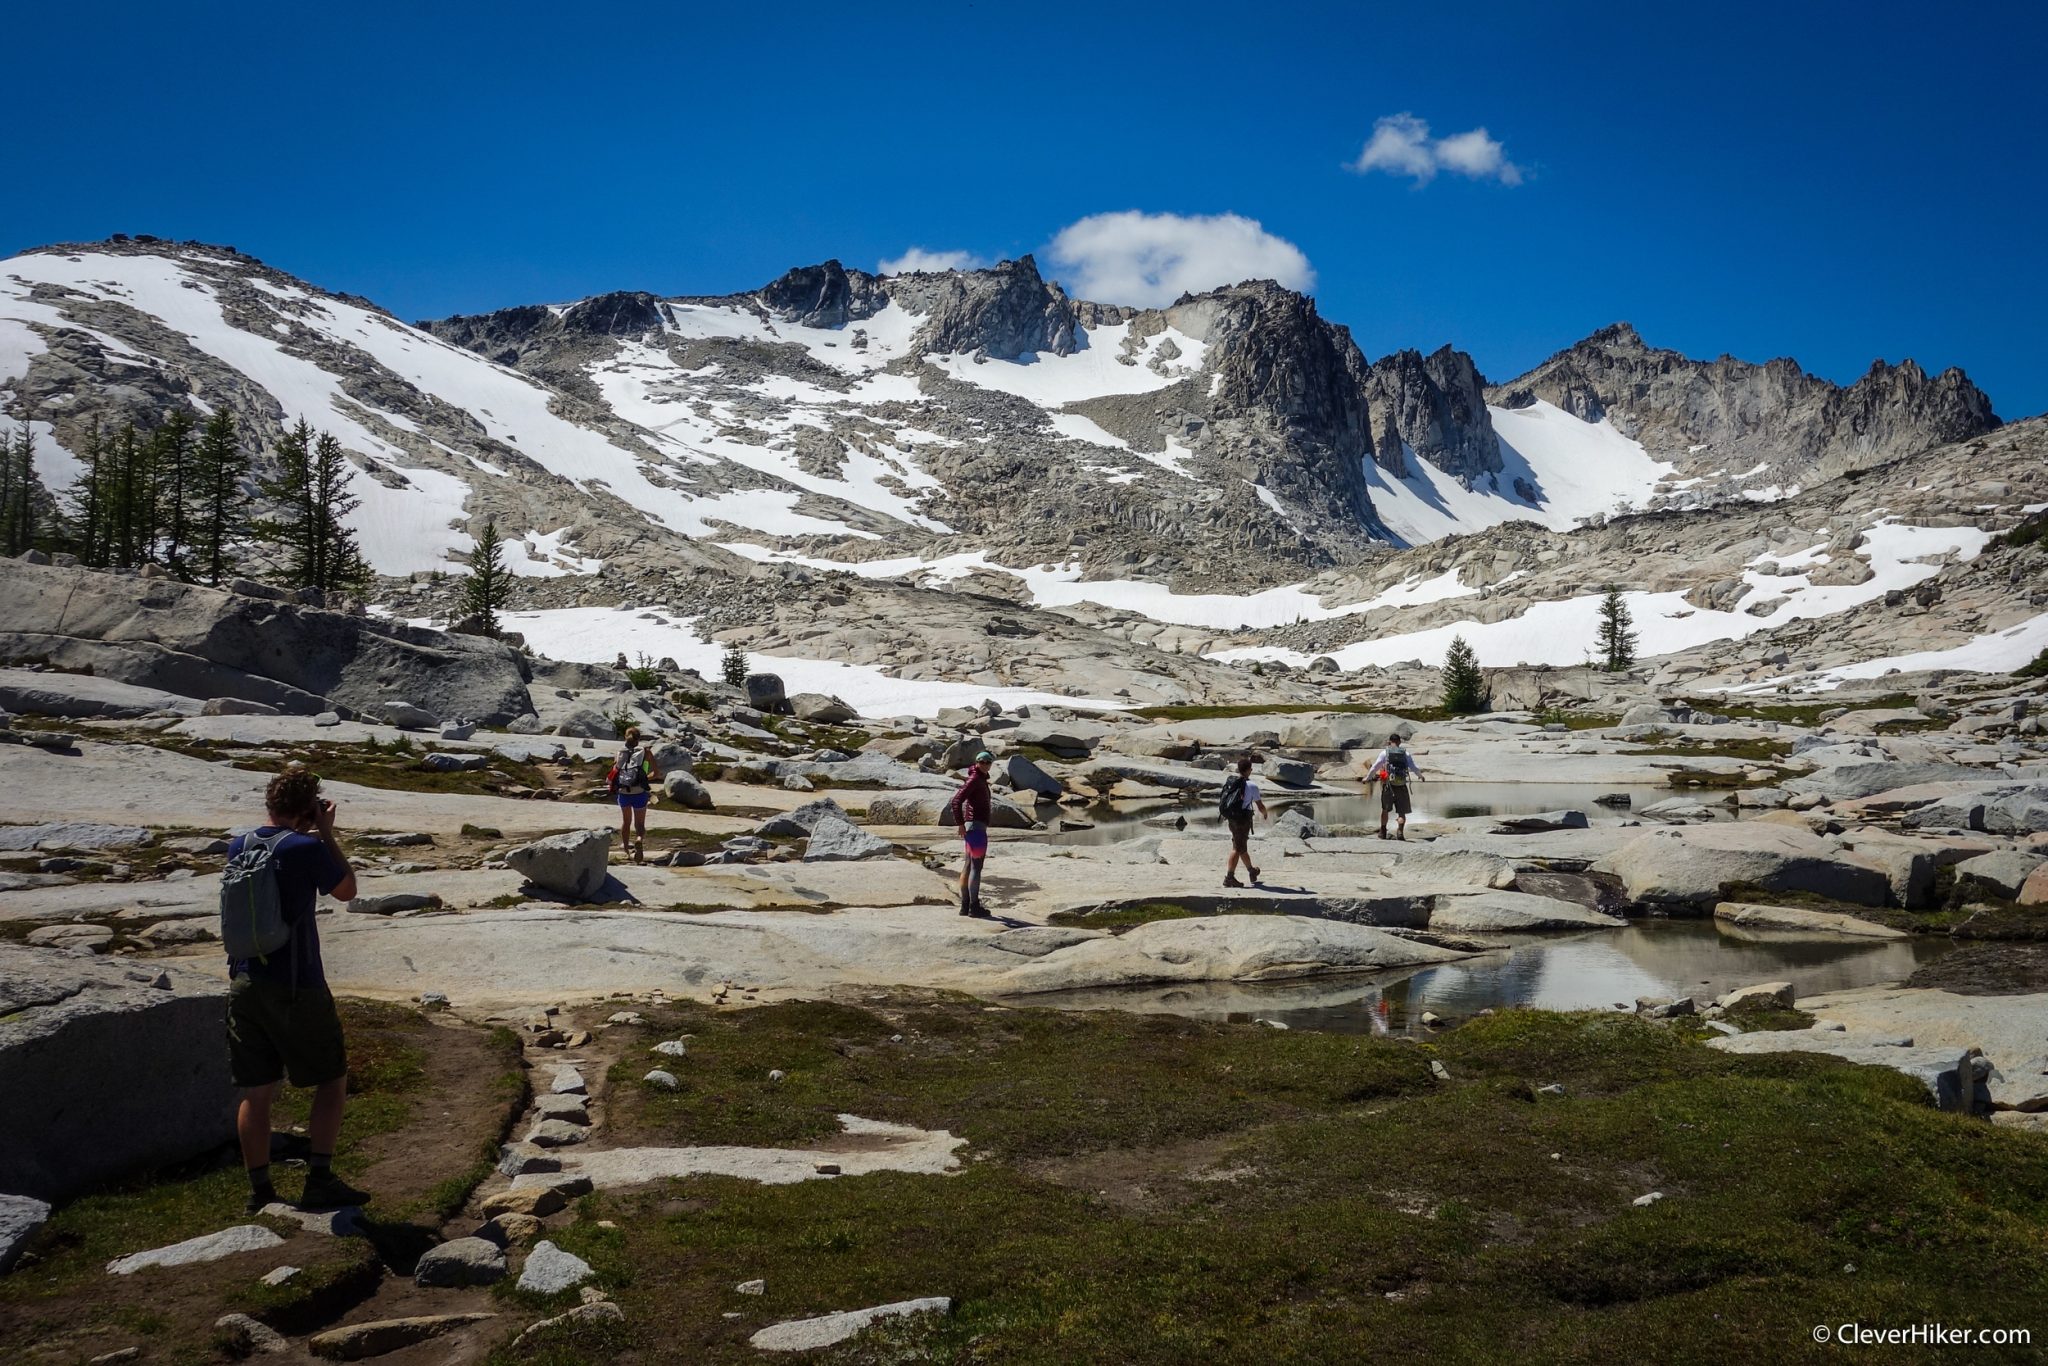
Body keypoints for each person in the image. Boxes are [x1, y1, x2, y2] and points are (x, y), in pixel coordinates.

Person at [227, 765, 364, 1213]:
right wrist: (326, 833)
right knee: (331, 1078)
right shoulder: (305, 847)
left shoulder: (238, 845)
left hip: (245, 981)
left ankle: (260, 1191)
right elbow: (346, 890)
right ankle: (319, 1179)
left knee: (256, 1090)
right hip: (296, 982)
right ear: (308, 809)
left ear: (269, 804)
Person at [948, 750, 995, 918]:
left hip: (973, 827)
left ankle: (965, 906)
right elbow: (956, 801)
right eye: (981, 761)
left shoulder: (978, 778)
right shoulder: (975, 779)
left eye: (988, 761)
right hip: (975, 827)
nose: (985, 764)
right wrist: (960, 824)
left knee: (968, 865)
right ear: (976, 762)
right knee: (976, 866)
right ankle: (974, 907)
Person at [608, 726, 662, 864]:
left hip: (623, 792)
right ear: (638, 739)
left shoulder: (619, 752)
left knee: (626, 822)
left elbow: (615, 772)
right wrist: (643, 779)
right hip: (639, 793)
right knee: (640, 823)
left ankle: (626, 850)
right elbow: (656, 773)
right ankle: (638, 839)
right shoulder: (645, 752)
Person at [1220, 754, 1269, 887]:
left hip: (1232, 819)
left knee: (1240, 846)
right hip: (1242, 820)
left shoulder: (1233, 782)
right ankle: (1229, 878)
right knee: (1237, 848)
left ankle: (1251, 871)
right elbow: (1259, 805)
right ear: (1248, 770)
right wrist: (1265, 814)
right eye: (1251, 769)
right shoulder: (1252, 785)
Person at [1366, 732, 1423, 840]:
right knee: (1401, 812)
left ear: (1389, 741)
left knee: (1385, 809)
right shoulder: (1405, 754)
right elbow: (1413, 767)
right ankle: (1400, 832)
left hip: (1388, 785)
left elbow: (1375, 767)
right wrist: (1420, 776)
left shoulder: (1384, 753)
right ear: (1399, 742)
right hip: (1401, 785)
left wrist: (1367, 778)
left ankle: (1383, 831)